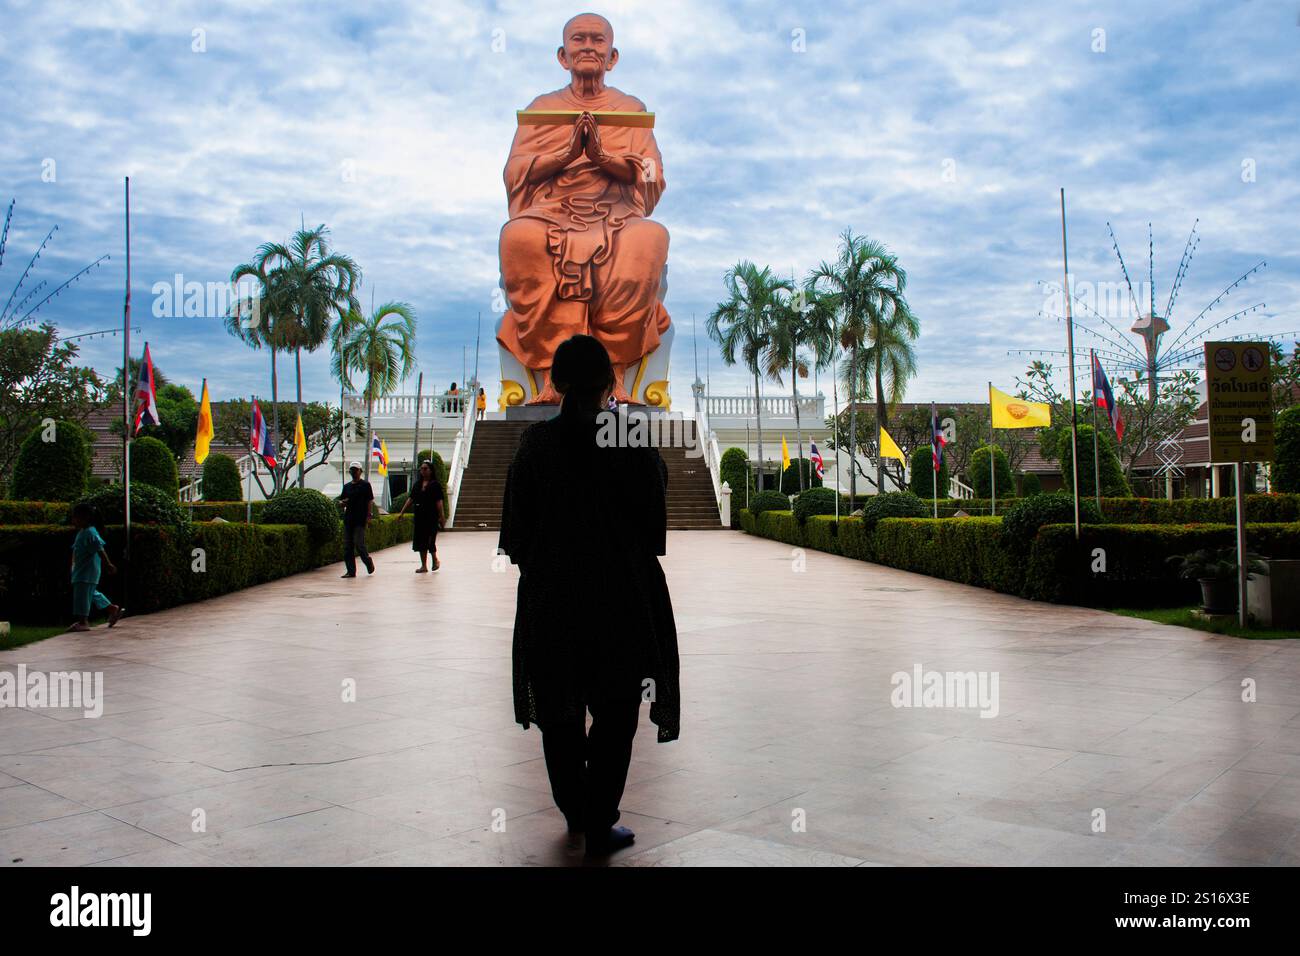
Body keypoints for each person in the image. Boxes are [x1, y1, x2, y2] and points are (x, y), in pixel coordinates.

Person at [499, 333, 679, 858]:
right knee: (617, 712)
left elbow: (516, 543)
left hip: (551, 600)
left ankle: (577, 811)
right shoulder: (633, 444)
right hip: (621, 599)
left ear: (553, 383)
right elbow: (653, 535)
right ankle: (600, 820)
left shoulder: (535, 447)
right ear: (611, 382)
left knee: (558, 711)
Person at [496, 13, 672, 405]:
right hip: (551, 212)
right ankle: (551, 379)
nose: (588, 47)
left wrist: (604, 158)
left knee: (650, 238)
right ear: (563, 55)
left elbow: (652, 172)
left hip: (616, 215)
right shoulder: (542, 109)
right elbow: (515, 172)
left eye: (597, 40)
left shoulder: (630, 110)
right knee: (518, 237)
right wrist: (565, 154)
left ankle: (615, 376)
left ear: (612, 57)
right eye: (579, 40)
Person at [68, 503, 124, 632]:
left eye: (75, 517)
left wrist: (108, 564)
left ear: (84, 518)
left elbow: (100, 549)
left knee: (82, 596)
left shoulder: (89, 533)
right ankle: (112, 608)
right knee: (90, 593)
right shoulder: (85, 532)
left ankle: (83, 621)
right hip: (83, 571)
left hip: (85, 572)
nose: (73, 521)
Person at [396, 460, 445, 572]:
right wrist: (402, 512)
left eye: (425, 469)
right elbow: (411, 499)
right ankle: (424, 565)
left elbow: (439, 502)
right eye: (421, 469)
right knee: (420, 541)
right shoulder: (417, 484)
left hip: (431, 516)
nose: (423, 471)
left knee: (430, 540)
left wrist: (441, 516)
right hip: (420, 516)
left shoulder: (435, 485)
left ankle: (435, 559)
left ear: (431, 470)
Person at [336, 461, 376, 577]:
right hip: (349, 519)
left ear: (360, 471)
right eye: (352, 470)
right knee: (348, 546)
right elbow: (342, 500)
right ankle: (351, 571)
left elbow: (369, 500)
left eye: (356, 470)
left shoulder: (365, 485)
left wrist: (369, 516)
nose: (354, 472)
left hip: (360, 518)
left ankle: (368, 561)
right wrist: (342, 503)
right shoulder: (347, 487)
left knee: (359, 544)